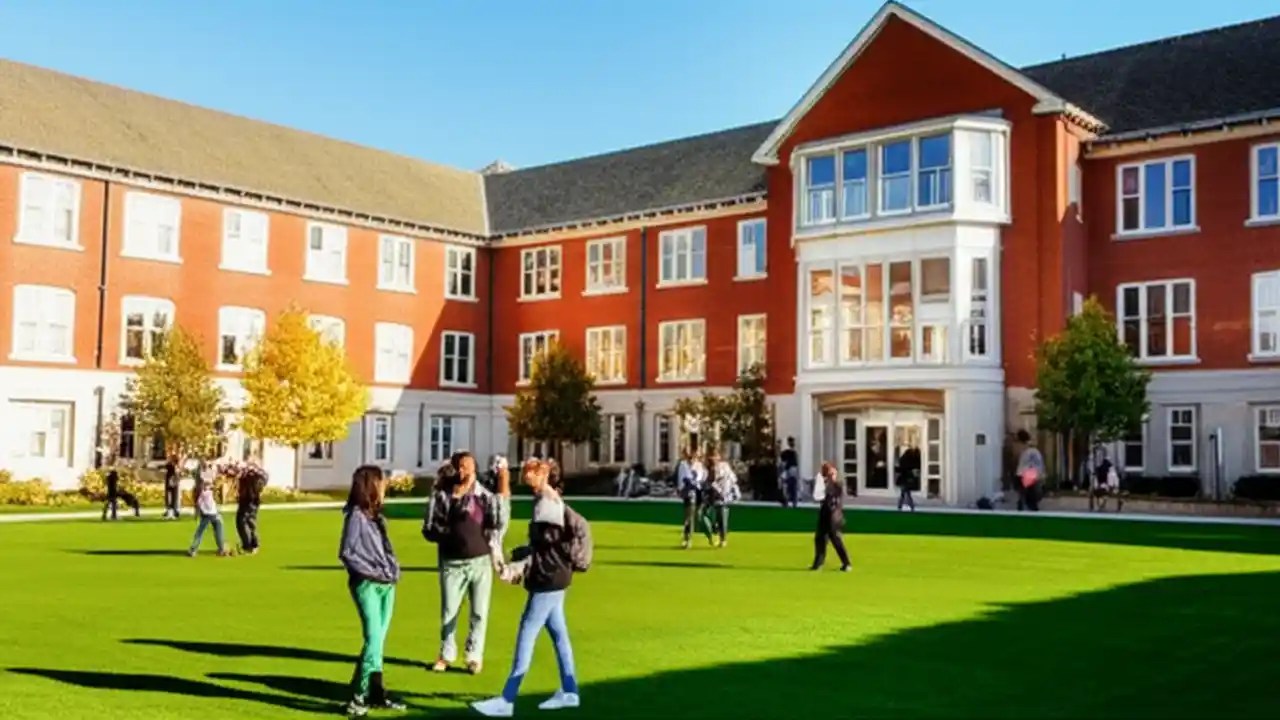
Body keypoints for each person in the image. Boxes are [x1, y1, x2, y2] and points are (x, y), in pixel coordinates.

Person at [472, 459, 590, 718]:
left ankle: (507, 698)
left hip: (548, 578)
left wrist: (518, 565)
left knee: (527, 632)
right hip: (557, 576)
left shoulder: (546, 503)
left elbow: (544, 548)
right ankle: (570, 691)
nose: (526, 475)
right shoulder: (549, 500)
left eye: (531, 472)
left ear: (544, 474)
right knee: (559, 633)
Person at [423, 450, 503, 675]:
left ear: (474, 469)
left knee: (479, 612)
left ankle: (474, 655)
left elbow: (496, 524)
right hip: (452, 563)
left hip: (480, 563)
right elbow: (429, 528)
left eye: (467, 466)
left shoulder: (484, 496)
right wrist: (449, 531)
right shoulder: (442, 496)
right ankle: (446, 653)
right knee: (449, 611)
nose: (463, 471)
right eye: (459, 466)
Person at [339, 464, 406, 718]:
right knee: (373, 639)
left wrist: (392, 570)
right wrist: (373, 572)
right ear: (370, 485)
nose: (385, 485)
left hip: (386, 584)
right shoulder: (355, 516)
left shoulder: (375, 515)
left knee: (377, 643)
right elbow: (347, 552)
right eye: (381, 481)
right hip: (367, 584)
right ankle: (358, 698)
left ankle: (375, 693)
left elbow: (385, 550)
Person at [811, 462, 851, 572]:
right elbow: (818, 497)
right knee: (820, 539)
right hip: (825, 515)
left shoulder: (838, 486)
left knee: (836, 540)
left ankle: (846, 563)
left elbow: (833, 500)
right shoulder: (824, 485)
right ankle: (818, 563)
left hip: (833, 516)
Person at [699, 452, 741, 548]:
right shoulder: (709, 469)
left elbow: (731, 479)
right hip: (712, 497)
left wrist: (728, 491)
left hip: (721, 497)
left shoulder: (722, 468)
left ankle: (722, 538)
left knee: (721, 517)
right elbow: (708, 482)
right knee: (707, 515)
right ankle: (715, 533)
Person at [188, 466, 229, 557]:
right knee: (216, 529)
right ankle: (221, 548)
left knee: (202, 531)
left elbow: (198, 503)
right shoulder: (204, 490)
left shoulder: (201, 490)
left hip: (208, 513)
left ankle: (194, 549)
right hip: (211, 513)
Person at [235, 461, 267, 554]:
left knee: (242, 522)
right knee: (250, 522)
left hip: (247, 501)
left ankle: (248, 545)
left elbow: (244, 487)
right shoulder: (259, 476)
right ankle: (254, 544)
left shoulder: (248, 476)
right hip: (254, 501)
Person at [676, 449, 704, 549]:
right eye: (690, 457)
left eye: (693, 457)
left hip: (697, 493)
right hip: (688, 493)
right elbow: (680, 478)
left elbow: (700, 479)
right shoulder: (683, 465)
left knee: (697, 516)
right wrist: (682, 488)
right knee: (688, 516)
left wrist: (693, 483)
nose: (692, 459)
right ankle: (687, 539)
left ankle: (712, 534)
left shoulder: (699, 466)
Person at [1014, 430, 1045, 512]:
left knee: (1027, 497)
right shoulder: (1033, 449)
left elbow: (1027, 464)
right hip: (1030, 475)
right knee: (1028, 498)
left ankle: (1026, 511)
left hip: (1027, 475)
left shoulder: (1028, 450)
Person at [896, 441, 921, 512]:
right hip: (907, 477)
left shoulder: (906, 457)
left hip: (905, 477)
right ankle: (908, 505)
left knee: (905, 492)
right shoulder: (913, 457)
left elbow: (901, 466)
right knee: (905, 492)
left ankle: (903, 505)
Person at [779, 437, 799, 508]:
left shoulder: (787, 452)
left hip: (789, 470)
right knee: (791, 486)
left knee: (787, 486)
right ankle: (792, 501)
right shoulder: (793, 453)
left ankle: (787, 501)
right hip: (791, 470)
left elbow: (783, 462)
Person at [163, 455, 182, 519]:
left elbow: (177, 475)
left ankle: (173, 512)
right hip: (170, 483)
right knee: (170, 498)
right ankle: (170, 512)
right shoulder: (171, 466)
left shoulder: (173, 466)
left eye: (170, 458)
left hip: (173, 483)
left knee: (173, 498)